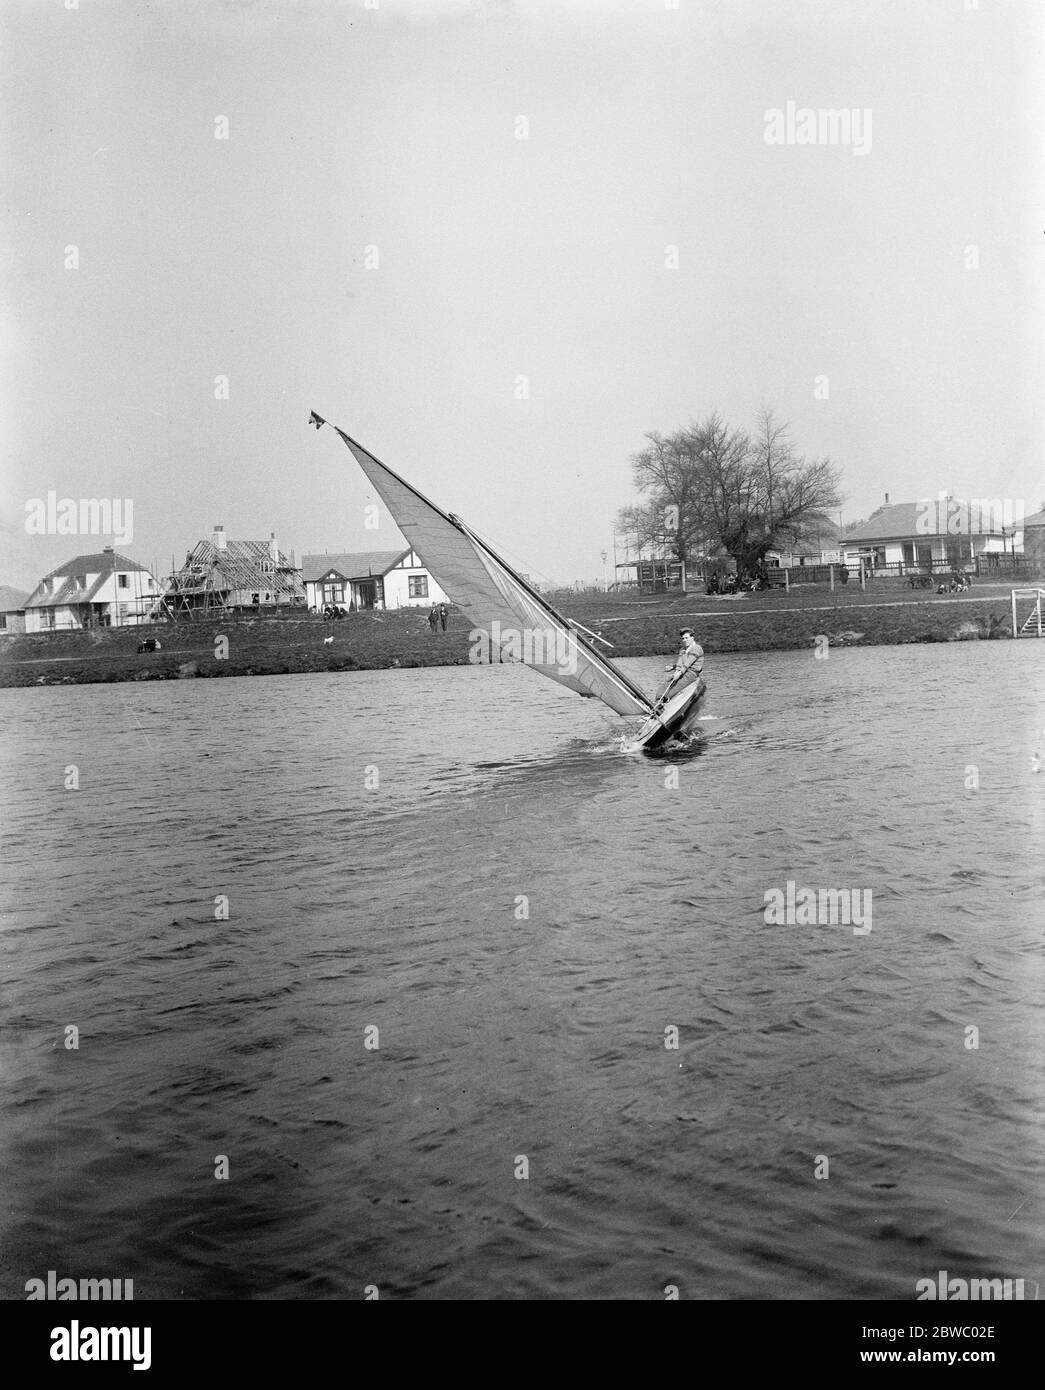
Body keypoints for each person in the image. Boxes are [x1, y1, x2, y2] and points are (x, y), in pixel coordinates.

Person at [654, 628, 704, 712]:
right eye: (683, 638)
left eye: (686, 638)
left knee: (676, 686)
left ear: (692, 638)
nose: (684, 640)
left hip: (691, 674)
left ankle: (664, 703)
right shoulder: (682, 650)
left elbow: (688, 662)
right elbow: (680, 662)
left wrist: (679, 672)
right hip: (683, 671)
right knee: (667, 682)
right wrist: (674, 668)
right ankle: (657, 703)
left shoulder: (697, 648)